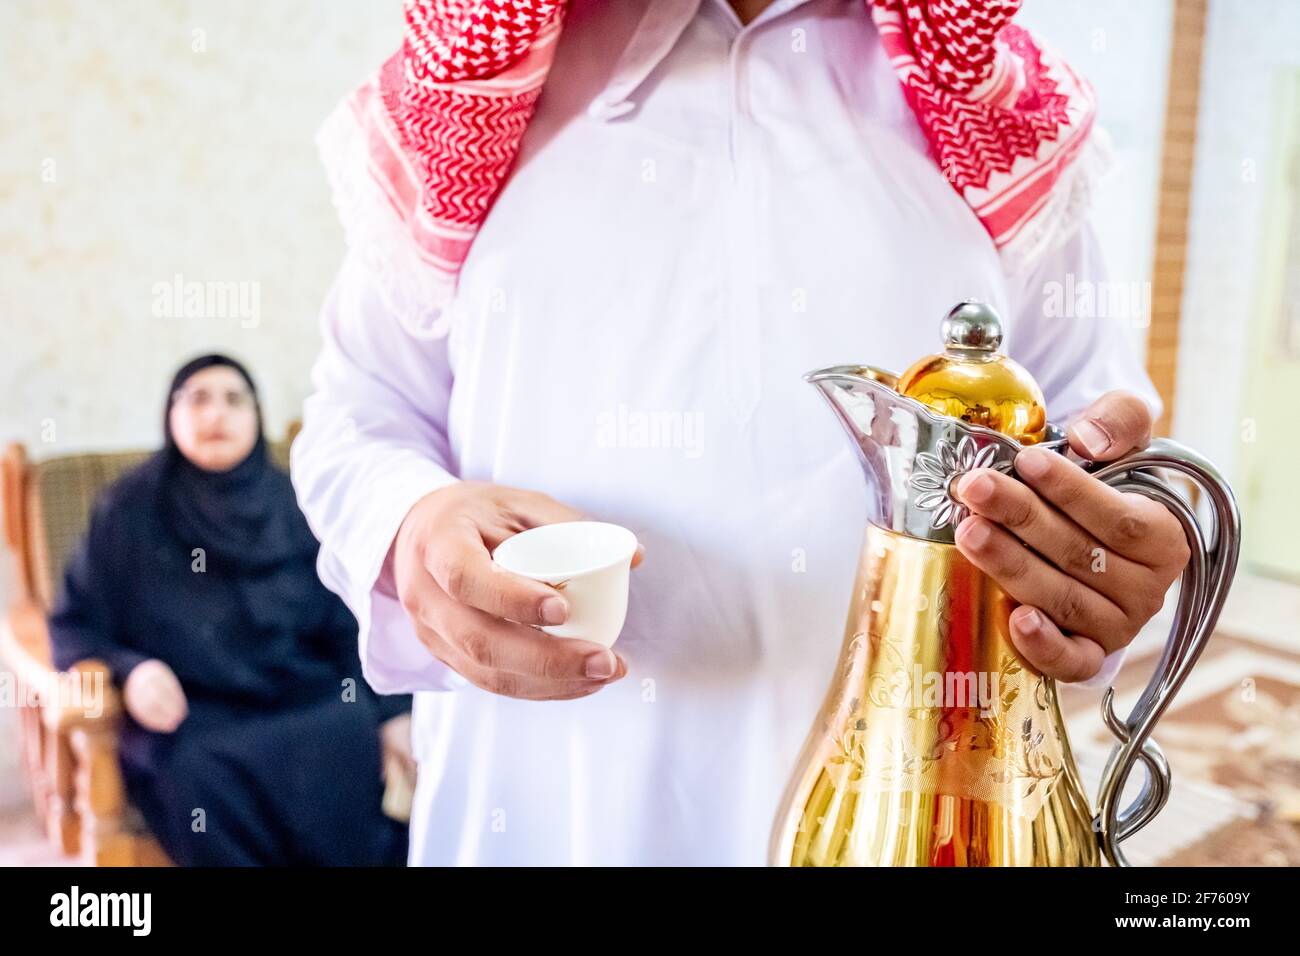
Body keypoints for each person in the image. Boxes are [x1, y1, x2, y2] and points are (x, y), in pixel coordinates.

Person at [291, 0, 1193, 865]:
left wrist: (1100, 553)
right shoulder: (467, 81)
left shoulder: (992, 104)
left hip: (916, 811)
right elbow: (357, 416)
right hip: (541, 807)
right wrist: (411, 525)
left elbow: (1097, 442)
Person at [50, 354, 414, 866]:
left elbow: (348, 621)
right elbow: (74, 624)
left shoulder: (299, 500)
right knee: (198, 770)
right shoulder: (127, 510)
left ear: (257, 416)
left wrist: (392, 712)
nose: (215, 414)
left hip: (301, 694)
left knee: (345, 729)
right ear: (170, 415)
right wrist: (133, 673)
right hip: (194, 713)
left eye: (233, 399)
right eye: (198, 399)